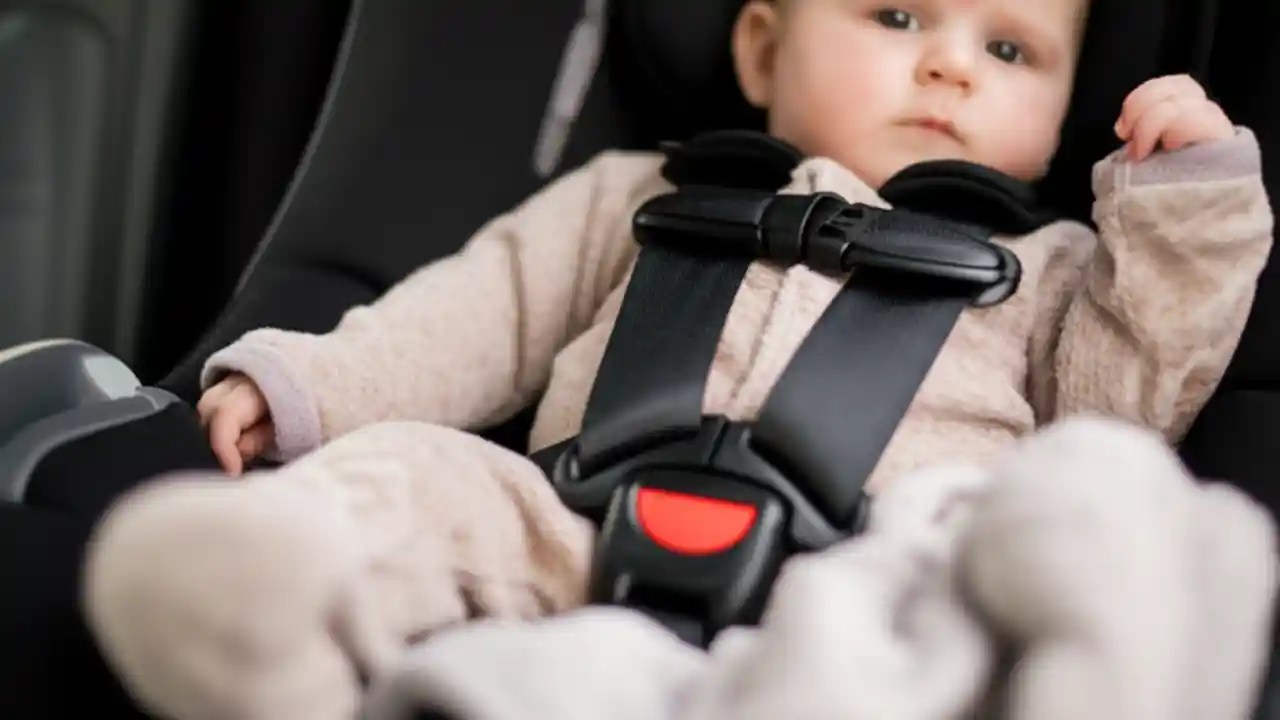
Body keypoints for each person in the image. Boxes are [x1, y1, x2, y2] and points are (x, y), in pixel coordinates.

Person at [82, 1, 1276, 718]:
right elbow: (475, 316)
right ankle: (261, 615)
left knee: (1099, 501)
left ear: (1062, 115)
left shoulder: (1056, 266)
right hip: (574, 522)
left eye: (1009, 49)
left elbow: (1129, 401)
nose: (950, 65)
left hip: (882, 571)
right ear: (760, 49)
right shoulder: (636, 196)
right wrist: (313, 386)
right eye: (895, 17)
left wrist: (1182, 211)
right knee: (413, 470)